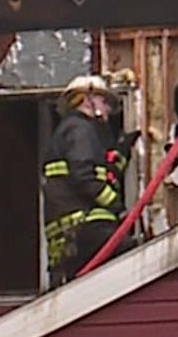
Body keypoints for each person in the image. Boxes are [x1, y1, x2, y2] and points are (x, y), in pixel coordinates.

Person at [41, 74, 137, 282]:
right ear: (86, 100)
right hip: (86, 227)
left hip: (67, 239)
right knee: (134, 256)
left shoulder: (71, 131)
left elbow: (101, 173)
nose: (107, 109)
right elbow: (84, 175)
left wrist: (121, 153)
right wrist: (116, 206)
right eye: (104, 101)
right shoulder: (80, 128)